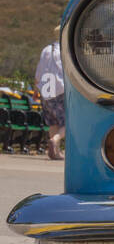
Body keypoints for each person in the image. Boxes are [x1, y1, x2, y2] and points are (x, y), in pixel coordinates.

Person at [35, 33, 65, 161]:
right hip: (60, 88)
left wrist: (37, 89)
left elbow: (39, 71)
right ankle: (55, 139)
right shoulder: (65, 50)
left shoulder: (46, 49)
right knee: (70, 121)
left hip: (46, 89)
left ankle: (55, 152)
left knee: (53, 121)